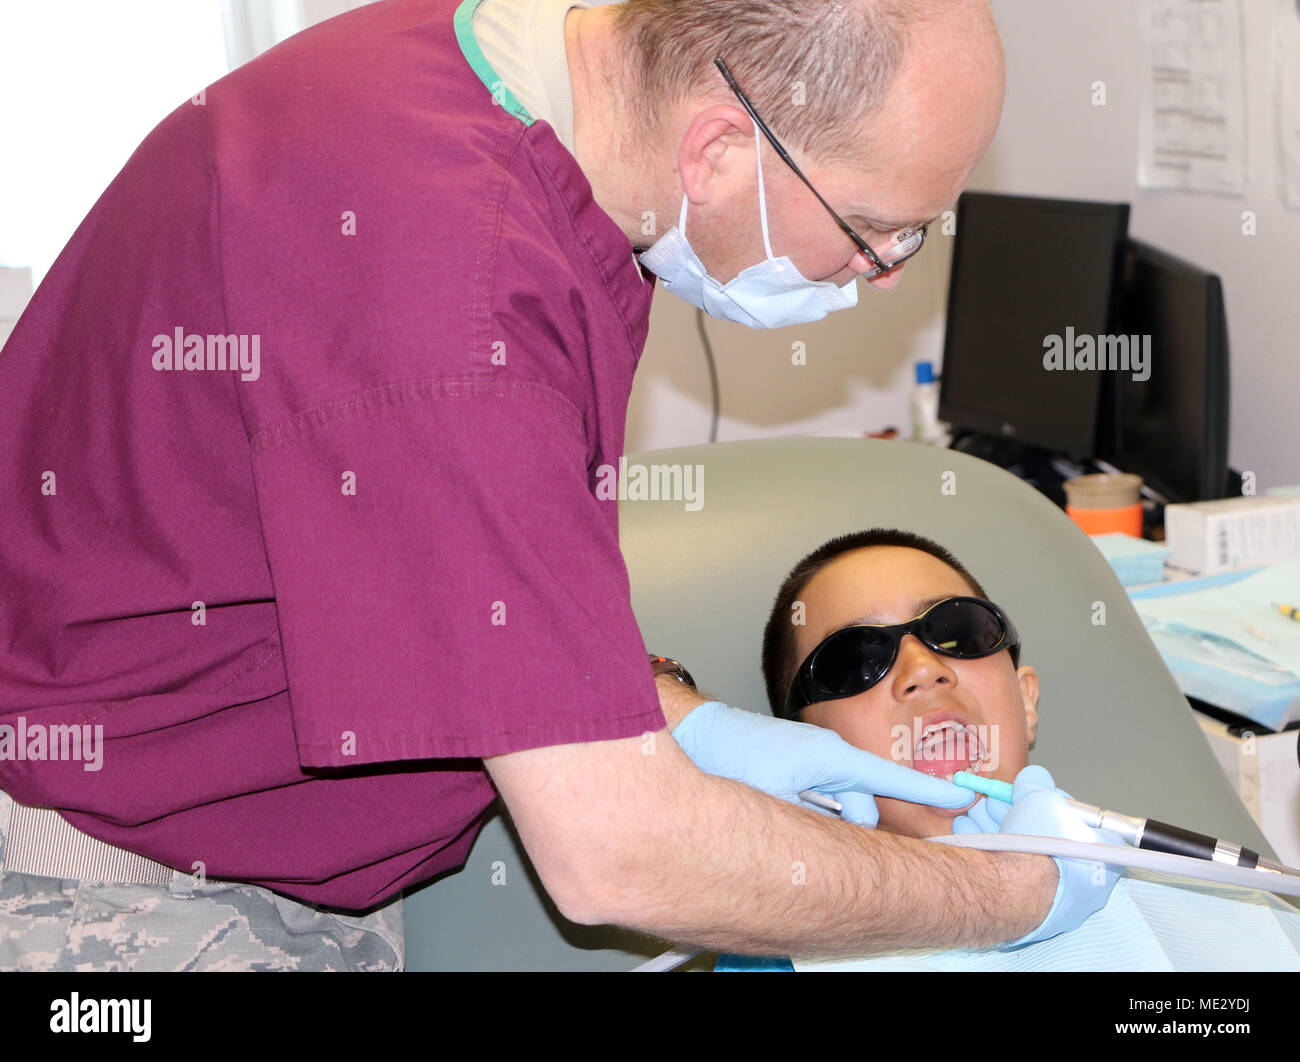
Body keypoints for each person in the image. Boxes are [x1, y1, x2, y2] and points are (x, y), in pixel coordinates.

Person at [0, 0, 1116, 969]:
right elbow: (611, 859)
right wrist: (1008, 896)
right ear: (719, 149)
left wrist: (683, 722)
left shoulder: (486, 77)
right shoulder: (453, 294)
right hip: (106, 890)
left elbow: (413, 551)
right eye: (874, 234)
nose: (882, 280)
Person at [719, 527, 1300, 970]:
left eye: (958, 630)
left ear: (1026, 703)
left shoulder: (1212, 898)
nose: (923, 670)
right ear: (801, 754)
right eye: (856, 660)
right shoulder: (777, 949)